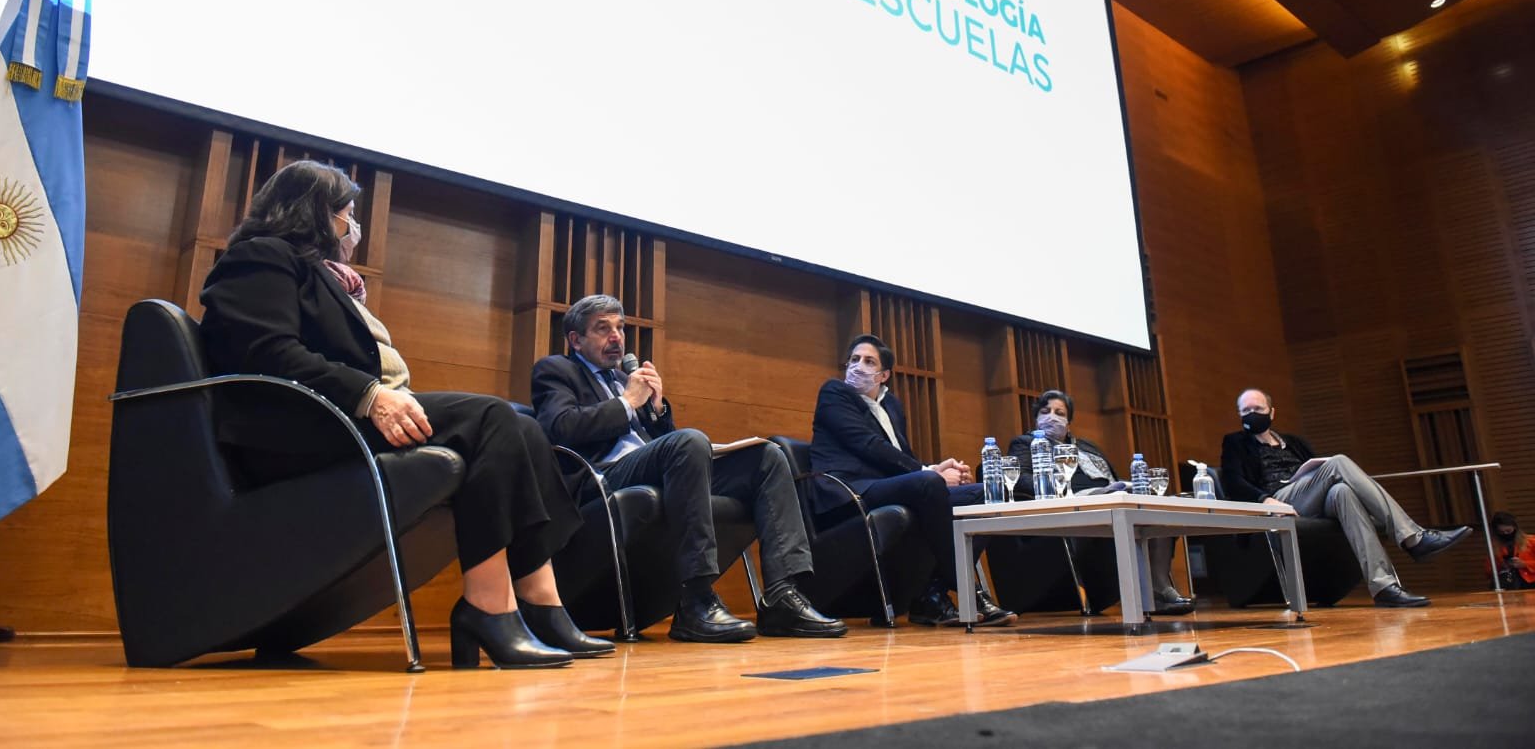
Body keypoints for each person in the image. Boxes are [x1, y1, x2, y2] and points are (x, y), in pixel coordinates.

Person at [199, 160, 613, 669]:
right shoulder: (259, 257)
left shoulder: (320, 273)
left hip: (340, 419)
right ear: (314, 212)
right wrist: (370, 395)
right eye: (346, 214)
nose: (353, 226)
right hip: (300, 432)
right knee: (490, 419)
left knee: (522, 425)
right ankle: (487, 607)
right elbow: (266, 352)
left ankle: (541, 599)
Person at [531, 294, 846, 642]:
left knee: (767, 457)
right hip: (601, 477)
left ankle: (782, 598)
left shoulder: (625, 379)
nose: (617, 337)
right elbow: (559, 428)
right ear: (576, 340)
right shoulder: (556, 370)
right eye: (603, 329)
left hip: (651, 465)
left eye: (620, 328)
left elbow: (659, 439)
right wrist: (627, 404)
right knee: (690, 441)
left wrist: (657, 408)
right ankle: (695, 600)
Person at [809, 334, 1017, 627]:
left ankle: (930, 594)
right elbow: (867, 445)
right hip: (850, 490)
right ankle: (969, 590)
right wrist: (930, 473)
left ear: (884, 375)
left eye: (869, 361)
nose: (858, 366)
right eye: (854, 359)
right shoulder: (834, 393)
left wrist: (935, 469)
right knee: (929, 484)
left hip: (888, 487)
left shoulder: (891, 405)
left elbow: (901, 455)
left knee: (983, 494)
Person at [1220, 388, 1471, 607]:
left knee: (1343, 491)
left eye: (1257, 408)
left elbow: (1316, 471)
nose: (1251, 413)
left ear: (1271, 412)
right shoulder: (1235, 443)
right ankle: (1412, 538)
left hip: (1307, 495)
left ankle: (1383, 587)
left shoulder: (1295, 442)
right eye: (1245, 410)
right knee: (1338, 462)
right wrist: (1266, 499)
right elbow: (1233, 481)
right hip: (1278, 498)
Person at [1006, 390, 1194, 616]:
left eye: (1059, 413)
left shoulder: (1088, 446)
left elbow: (1113, 478)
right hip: (1070, 503)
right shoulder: (1026, 443)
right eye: (1045, 412)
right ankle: (1154, 592)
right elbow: (1019, 480)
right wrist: (1055, 485)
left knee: (1155, 508)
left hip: (1109, 494)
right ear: (1036, 418)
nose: (1051, 417)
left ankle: (1160, 588)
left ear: (1069, 421)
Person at [1488, 511, 1535, 589]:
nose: (1505, 534)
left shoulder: (1532, 541)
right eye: (1501, 532)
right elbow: (1488, 572)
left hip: (1530, 584)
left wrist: (1524, 564)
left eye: (1508, 531)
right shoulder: (1495, 547)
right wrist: (1501, 566)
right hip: (1508, 584)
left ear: (1515, 528)